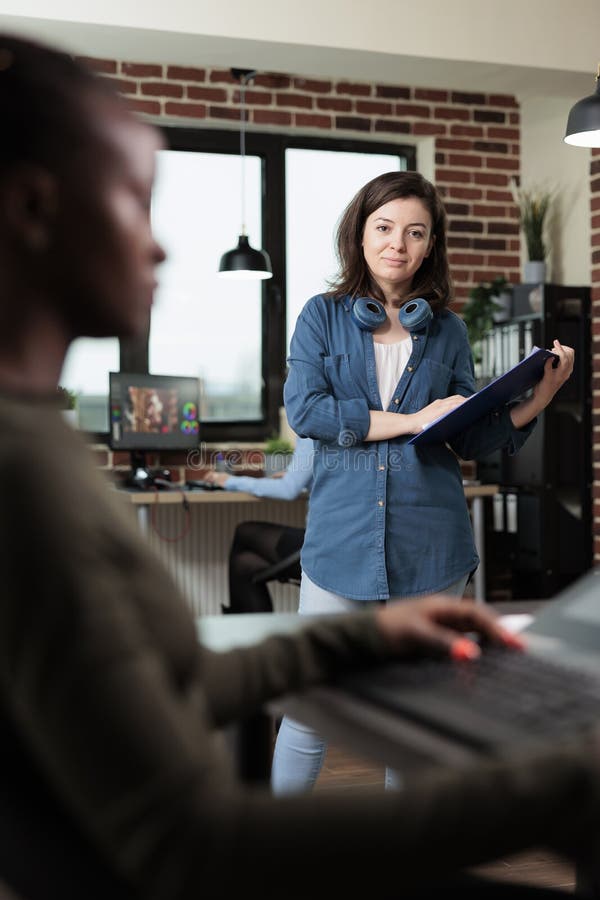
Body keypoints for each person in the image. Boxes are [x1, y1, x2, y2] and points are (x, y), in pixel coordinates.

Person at [1, 32, 598, 900]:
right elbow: (190, 846)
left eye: (415, 233)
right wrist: (558, 788)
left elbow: (175, 681)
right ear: (30, 207)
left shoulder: (39, 442)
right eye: (135, 199)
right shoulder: (26, 478)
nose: (162, 249)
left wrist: (355, 639)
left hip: (427, 548)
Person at [271, 170, 575, 794]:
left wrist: (536, 400)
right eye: (383, 228)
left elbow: (467, 435)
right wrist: (411, 419)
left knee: (413, 721)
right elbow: (307, 413)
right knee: (308, 711)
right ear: (359, 234)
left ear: (431, 244)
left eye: (415, 233)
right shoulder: (319, 318)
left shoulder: (450, 330)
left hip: (432, 546)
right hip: (340, 545)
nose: (397, 245)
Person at [205, 436, 313, 613]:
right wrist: (296, 474)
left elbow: (288, 490)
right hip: (350, 545)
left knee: (244, 532)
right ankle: (249, 631)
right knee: (245, 564)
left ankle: (244, 631)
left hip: (320, 548)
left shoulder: (312, 428)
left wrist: (229, 481)